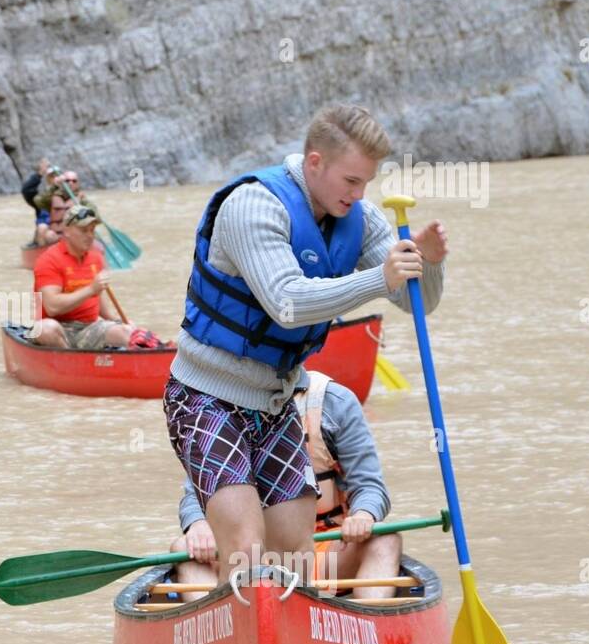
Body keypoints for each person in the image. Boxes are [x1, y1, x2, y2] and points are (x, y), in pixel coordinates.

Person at [164, 104, 448, 580]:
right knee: (247, 552)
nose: (359, 195)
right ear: (315, 162)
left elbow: (420, 303)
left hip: (277, 404)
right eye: (351, 181)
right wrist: (380, 277)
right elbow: (287, 303)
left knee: (293, 554)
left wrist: (428, 263)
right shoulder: (253, 206)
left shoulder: (360, 217)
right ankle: (242, 643)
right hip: (206, 397)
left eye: (366, 183)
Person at [170, 369, 401, 600]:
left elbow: (370, 486)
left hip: (320, 553)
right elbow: (196, 490)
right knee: (184, 548)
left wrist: (363, 515)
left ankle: (367, 628)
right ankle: (216, 625)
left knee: (386, 539)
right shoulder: (217, 402)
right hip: (240, 555)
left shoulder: (335, 402)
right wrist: (197, 525)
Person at [28, 206, 136, 349]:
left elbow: (97, 300)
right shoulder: (48, 260)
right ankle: (69, 361)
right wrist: (91, 289)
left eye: (92, 230)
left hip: (89, 328)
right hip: (57, 328)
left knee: (128, 333)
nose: (90, 235)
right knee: (45, 329)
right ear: (66, 230)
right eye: (83, 230)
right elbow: (52, 307)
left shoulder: (96, 258)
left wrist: (118, 321)